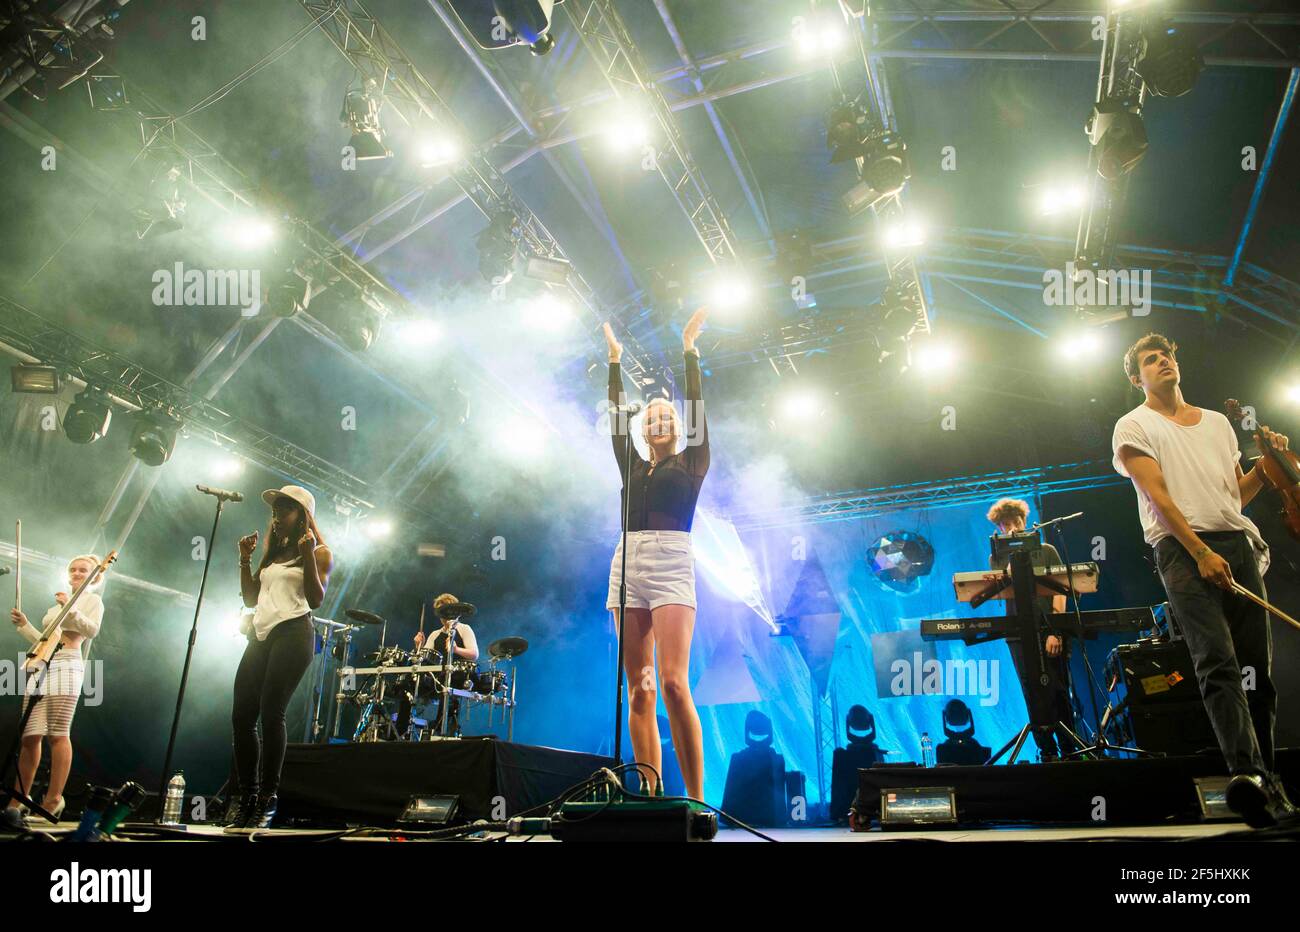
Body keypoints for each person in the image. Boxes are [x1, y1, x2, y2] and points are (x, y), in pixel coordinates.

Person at [1112, 332, 1295, 827]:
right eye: (1151, 360)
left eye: (1167, 354)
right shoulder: (1133, 425)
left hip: (1235, 541)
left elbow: (1232, 497)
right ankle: (1248, 774)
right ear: (1137, 378)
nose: (1163, 362)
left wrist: (1268, 466)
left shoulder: (1217, 423)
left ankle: (1270, 784)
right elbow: (1160, 500)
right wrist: (1200, 551)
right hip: (1181, 548)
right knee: (1218, 663)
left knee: (1257, 667)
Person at [603, 308, 709, 800]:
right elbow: (614, 422)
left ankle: (696, 799)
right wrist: (614, 364)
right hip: (627, 563)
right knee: (640, 689)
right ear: (645, 431)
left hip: (670, 563)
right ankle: (651, 795)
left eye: (669, 415)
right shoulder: (632, 466)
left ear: (680, 427)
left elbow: (696, 405)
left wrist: (689, 350)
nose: (662, 419)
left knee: (671, 682)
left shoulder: (692, 462)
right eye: (653, 417)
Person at [228, 484, 332, 830]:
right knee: (242, 716)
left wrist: (309, 555)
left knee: (272, 713)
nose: (276, 517)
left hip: (294, 631)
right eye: (274, 511)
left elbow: (316, 600)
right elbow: (250, 597)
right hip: (261, 633)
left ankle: (268, 798)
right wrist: (245, 558)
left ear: (302, 515)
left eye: (284, 510)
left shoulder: (319, 552)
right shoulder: (273, 551)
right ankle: (248, 796)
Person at [3, 555, 104, 830]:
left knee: (57, 733)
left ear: (94, 575)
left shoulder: (92, 601)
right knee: (29, 735)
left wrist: (69, 609)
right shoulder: (55, 604)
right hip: (43, 663)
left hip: (69, 663)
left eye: (83, 569)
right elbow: (44, 641)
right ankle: (19, 799)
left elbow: (91, 630)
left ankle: (53, 799)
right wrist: (24, 624)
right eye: (73, 569)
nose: (77, 572)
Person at [986, 498, 1074, 761]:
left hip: (1048, 625)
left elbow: (1062, 589)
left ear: (1024, 521)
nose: (1011, 528)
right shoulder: (997, 556)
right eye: (1005, 525)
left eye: (1015, 523)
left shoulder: (1046, 550)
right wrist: (1013, 555)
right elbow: (1005, 587)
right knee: (1031, 689)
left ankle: (1070, 748)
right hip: (1018, 630)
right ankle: (1046, 750)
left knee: (1058, 687)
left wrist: (1056, 629)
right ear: (999, 529)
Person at [413, 592, 479, 736]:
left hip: (459, 674)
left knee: (448, 680)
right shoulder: (435, 634)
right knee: (409, 681)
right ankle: (403, 725)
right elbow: (423, 659)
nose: (445, 617)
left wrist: (456, 649)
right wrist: (419, 646)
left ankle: (442, 727)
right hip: (437, 676)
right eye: (442, 613)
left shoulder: (464, 629)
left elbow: (474, 654)